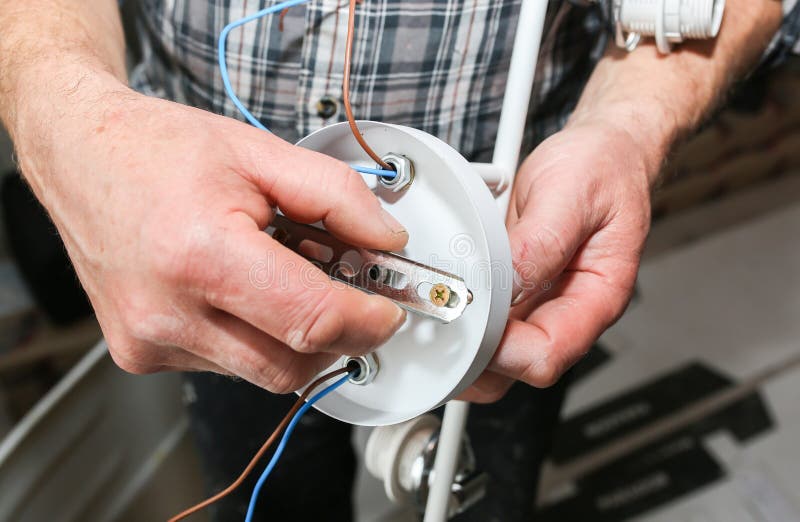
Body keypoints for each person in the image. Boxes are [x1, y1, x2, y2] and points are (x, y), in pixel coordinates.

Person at [0, 0, 797, 520]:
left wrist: (628, 124)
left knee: (485, 498)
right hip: (204, 260)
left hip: (516, 251)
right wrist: (69, 120)